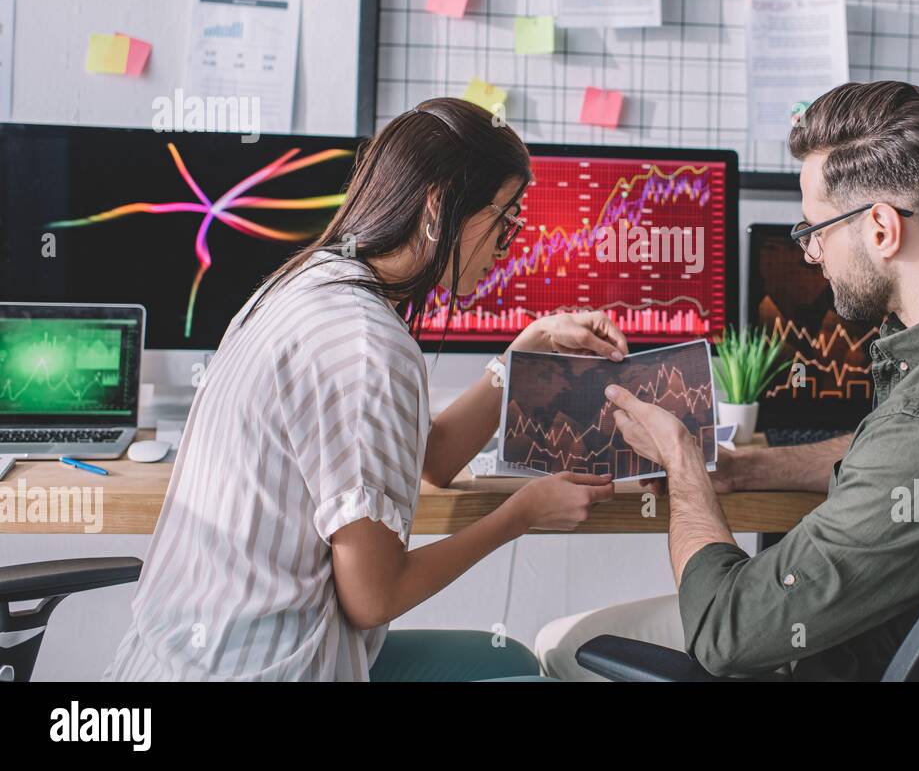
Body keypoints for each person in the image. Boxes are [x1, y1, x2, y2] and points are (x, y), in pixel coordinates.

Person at [535, 80, 919, 681]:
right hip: (898, 639)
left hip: (833, 655)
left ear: (881, 229)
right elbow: (901, 455)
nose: (812, 254)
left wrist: (681, 459)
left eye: (816, 230)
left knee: (559, 645)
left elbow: (723, 631)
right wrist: (746, 470)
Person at [105, 98, 626, 681]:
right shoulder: (367, 344)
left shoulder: (306, 282)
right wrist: (521, 512)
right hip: (260, 668)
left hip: (175, 657)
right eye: (504, 220)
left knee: (511, 661)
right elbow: (375, 598)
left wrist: (524, 348)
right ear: (438, 206)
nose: (510, 246)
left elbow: (428, 460)